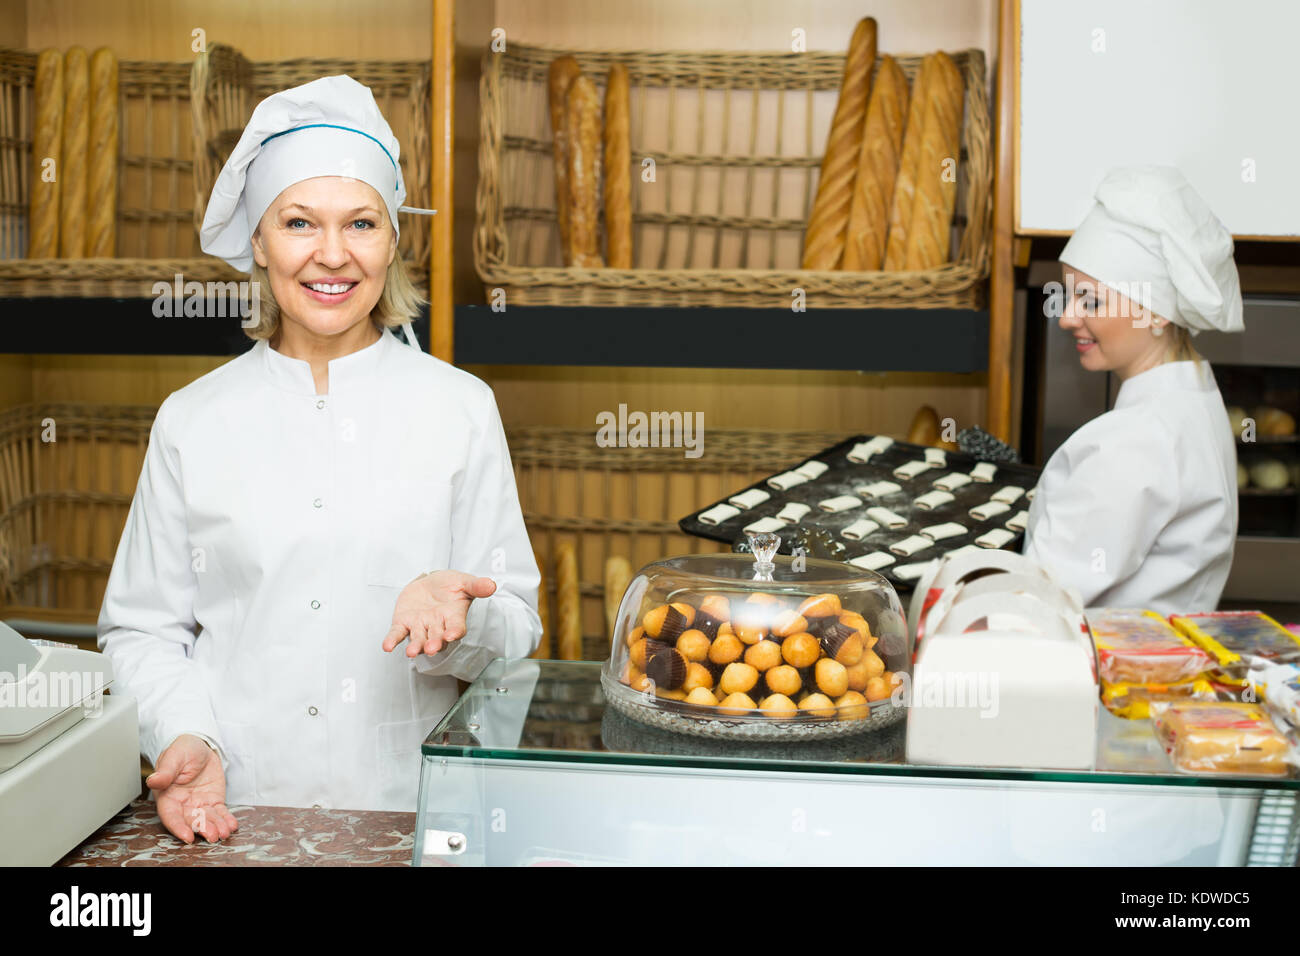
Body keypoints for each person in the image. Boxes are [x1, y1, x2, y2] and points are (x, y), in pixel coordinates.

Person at [97, 75, 541, 843]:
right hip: (236, 806)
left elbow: (519, 624)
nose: (331, 255)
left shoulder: (460, 406)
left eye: (361, 223)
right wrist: (184, 736)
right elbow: (141, 630)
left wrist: (460, 617)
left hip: (410, 811)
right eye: (299, 222)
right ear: (259, 242)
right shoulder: (193, 420)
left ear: (393, 239)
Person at [1022, 166, 1243, 614]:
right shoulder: (1198, 395)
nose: (1067, 317)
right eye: (1069, 296)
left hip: (1099, 672)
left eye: (1092, 301)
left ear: (1157, 313)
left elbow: (1041, 606)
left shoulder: (1133, 442)